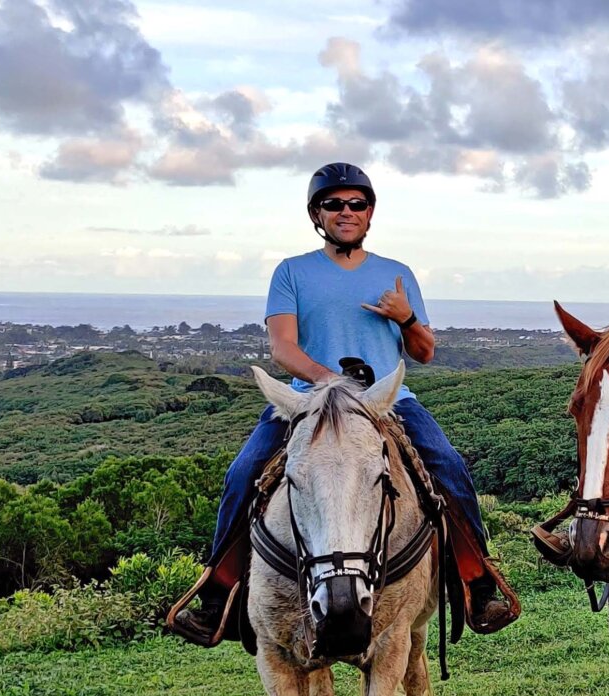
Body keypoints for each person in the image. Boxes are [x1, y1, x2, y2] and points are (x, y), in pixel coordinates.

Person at [166, 163, 520, 645]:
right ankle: (218, 596)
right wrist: (332, 383)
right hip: (308, 401)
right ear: (317, 214)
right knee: (244, 472)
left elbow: (424, 352)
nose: (346, 211)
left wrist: (406, 317)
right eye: (333, 204)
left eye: (357, 204)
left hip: (388, 403)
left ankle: (477, 585)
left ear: (370, 213)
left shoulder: (396, 273)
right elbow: (282, 347)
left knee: (449, 466)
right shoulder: (291, 272)